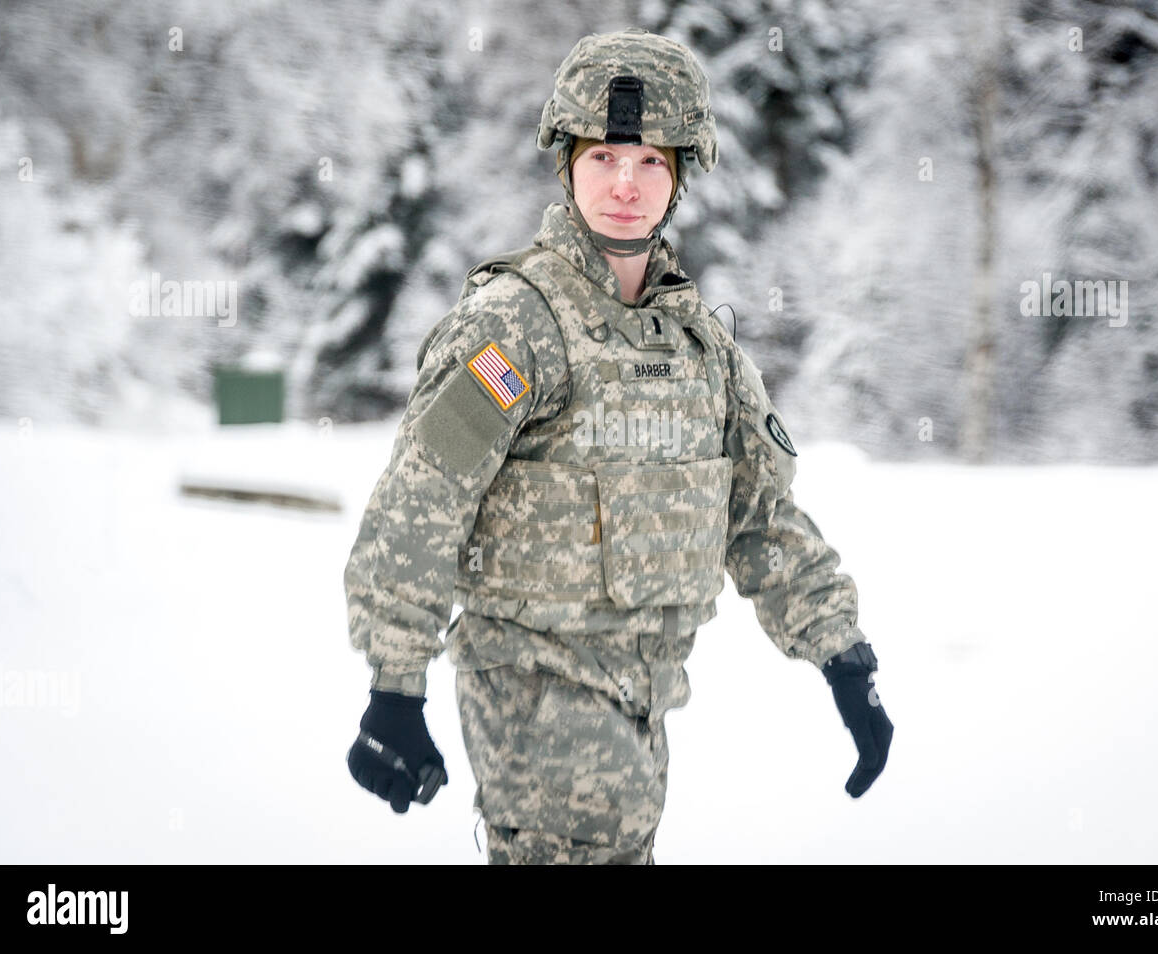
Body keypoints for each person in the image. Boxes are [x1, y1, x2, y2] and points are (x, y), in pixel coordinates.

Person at [343, 28, 893, 865]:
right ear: (566, 164)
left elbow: (760, 519)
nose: (625, 186)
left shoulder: (697, 343)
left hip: (644, 705)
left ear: (680, 175)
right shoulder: (516, 326)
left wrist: (843, 655)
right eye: (603, 158)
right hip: (534, 702)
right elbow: (422, 500)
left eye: (649, 163)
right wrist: (394, 682)